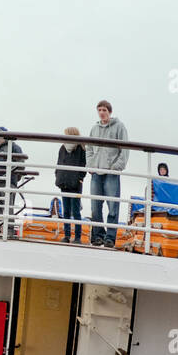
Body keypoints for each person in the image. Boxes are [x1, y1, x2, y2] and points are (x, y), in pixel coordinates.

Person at [86, 100, 128, 247]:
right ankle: (98, 235)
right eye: (99, 110)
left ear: (109, 111)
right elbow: (89, 148)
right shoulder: (94, 129)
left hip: (111, 172)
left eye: (104, 110)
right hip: (96, 172)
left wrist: (117, 167)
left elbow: (125, 149)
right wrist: (90, 165)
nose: (102, 112)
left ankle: (110, 237)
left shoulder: (119, 127)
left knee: (112, 206)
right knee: (95, 206)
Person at [0, 126, 27, 235]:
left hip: (8, 182)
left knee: (8, 207)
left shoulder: (13, 146)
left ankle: (9, 230)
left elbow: (21, 163)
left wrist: (14, 177)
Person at [56, 126, 87, 243]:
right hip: (64, 182)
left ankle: (78, 237)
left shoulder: (81, 148)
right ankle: (67, 236)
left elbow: (84, 164)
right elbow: (58, 162)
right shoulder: (62, 148)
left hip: (75, 183)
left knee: (76, 211)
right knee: (66, 211)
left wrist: (80, 178)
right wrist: (57, 175)